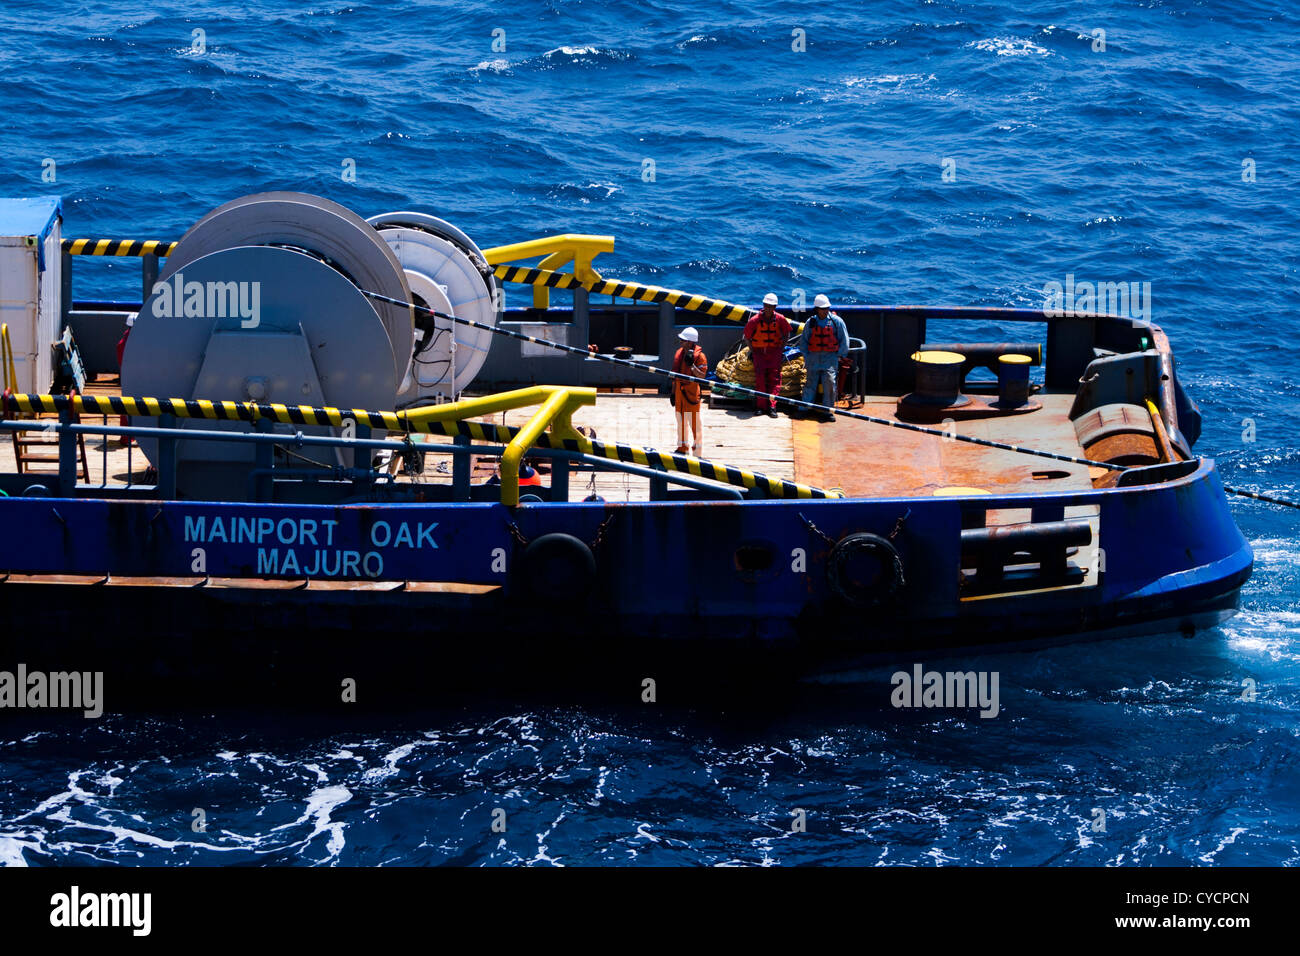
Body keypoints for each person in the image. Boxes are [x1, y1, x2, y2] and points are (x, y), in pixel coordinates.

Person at [798, 294, 850, 421]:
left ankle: (827, 411)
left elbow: (844, 340)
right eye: (822, 308)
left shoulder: (837, 322)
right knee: (810, 384)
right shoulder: (810, 323)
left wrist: (840, 355)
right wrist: (806, 356)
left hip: (830, 359)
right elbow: (804, 341)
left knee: (830, 384)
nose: (825, 310)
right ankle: (804, 408)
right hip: (813, 358)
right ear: (816, 309)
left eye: (827, 308)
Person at [743, 292, 791, 417]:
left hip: (774, 352)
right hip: (759, 353)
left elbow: (787, 333)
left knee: (775, 379)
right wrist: (753, 350)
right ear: (764, 305)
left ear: (775, 307)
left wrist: (781, 348)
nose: (769, 308)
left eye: (772, 306)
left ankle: (772, 406)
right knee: (760, 379)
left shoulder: (780, 319)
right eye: (767, 305)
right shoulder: (754, 320)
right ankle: (760, 406)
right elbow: (747, 336)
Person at [672, 327, 707, 456]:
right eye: (681, 340)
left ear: (691, 342)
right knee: (680, 420)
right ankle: (682, 448)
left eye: (684, 340)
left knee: (694, 422)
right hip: (679, 392)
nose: (681, 342)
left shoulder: (701, 357)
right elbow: (675, 375)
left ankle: (697, 449)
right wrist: (673, 392)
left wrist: (692, 365)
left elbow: (702, 376)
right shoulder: (679, 353)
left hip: (691, 392)